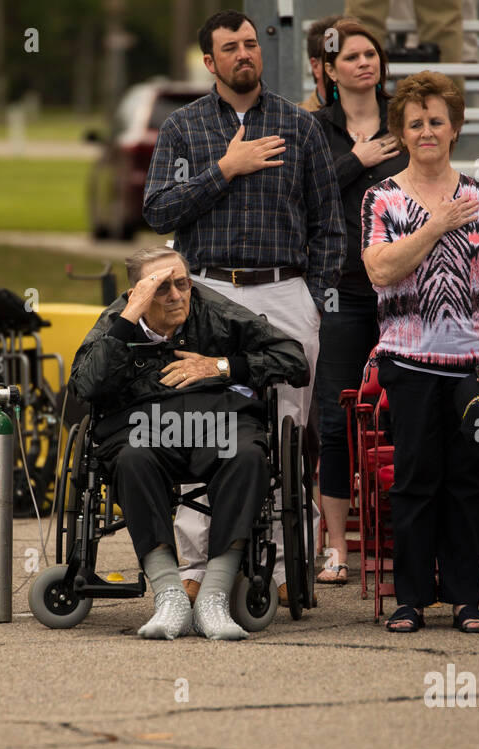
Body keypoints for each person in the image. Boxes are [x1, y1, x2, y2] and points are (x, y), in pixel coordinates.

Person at [142, 9, 344, 606]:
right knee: (203, 423)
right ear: (209, 61)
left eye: (251, 44)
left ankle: (285, 565)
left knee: (288, 430)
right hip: (205, 291)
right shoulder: (183, 128)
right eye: (230, 47)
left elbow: (328, 223)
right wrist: (224, 170)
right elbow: (159, 212)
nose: (244, 54)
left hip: (285, 291)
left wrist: (313, 297)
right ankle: (198, 565)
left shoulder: (298, 127)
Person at [69, 248, 309, 641]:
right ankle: (170, 595)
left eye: (182, 283)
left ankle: (214, 595)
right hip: (142, 425)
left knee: (247, 455)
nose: (177, 295)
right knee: (132, 458)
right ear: (137, 294)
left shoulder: (217, 312)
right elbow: (86, 385)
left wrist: (221, 365)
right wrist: (128, 320)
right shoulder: (118, 321)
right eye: (161, 289)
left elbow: (294, 360)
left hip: (218, 417)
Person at [361, 71, 479, 634]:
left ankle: (465, 599)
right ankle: (409, 599)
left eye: (436, 121)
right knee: (414, 481)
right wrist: (433, 227)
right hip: (407, 366)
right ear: (401, 134)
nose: (426, 131)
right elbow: (379, 269)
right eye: (415, 123)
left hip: (473, 369)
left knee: (466, 485)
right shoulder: (381, 198)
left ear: (454, 128)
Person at [311, 17, 406, 585]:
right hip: (340, 289)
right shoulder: (313, 127)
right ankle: (338, 550)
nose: (364, 63)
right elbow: (305, 194)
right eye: (351, 57)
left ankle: (396, 539)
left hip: (405, 291)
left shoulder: (406, 120)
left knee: (405, 411)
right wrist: (359, 159)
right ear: (328, 69)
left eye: (371, 53)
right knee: (336, 414)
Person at [299, 15, 338, 114]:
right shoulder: (296, 121)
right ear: (315, 66)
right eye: (350, 58)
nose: (362, 63)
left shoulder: (381, 114)